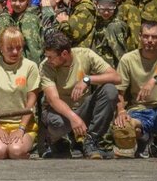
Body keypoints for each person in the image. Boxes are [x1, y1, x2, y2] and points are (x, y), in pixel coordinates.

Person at [39, 30, 120, 159]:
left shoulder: (85, 55)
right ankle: (58, 141)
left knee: (110, 90)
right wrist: (73, 118)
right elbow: (53, 100)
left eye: (51, 57)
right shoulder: (45, 67)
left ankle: (91, 140)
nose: (48, 60)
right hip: (59, 113)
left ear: (64, 54)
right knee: (57, 123)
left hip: (82, 109)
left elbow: (116, 77)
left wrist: (88, 80)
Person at [113, 20, 157, 158]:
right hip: (139, 110)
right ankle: (144, 139)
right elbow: (119, 92)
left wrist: (155, 80)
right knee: (123, 127)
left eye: (154, 37)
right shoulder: (128, 59)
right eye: (146, 36)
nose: (149, 40)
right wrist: (121, 111)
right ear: (139, 37)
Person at [0, 27, 40, 160]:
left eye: (18, 48)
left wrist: (21, 129)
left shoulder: (30, 66)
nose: (15, 52)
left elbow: (31, 100)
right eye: (10, 48)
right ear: (0, 47)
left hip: (22, 123)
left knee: (15, 151)